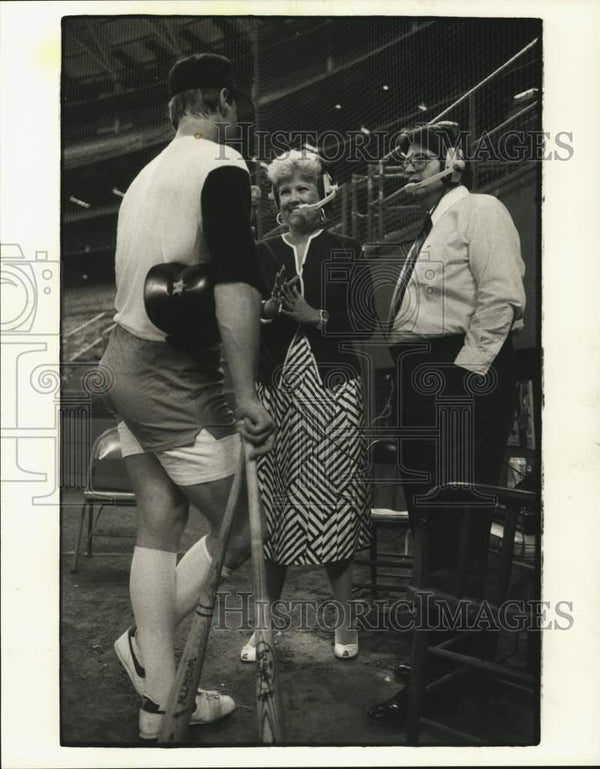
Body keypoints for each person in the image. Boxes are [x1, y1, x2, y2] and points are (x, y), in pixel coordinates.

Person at [98, 53, 274, 740]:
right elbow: (233, 284)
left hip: (121, 358)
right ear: (227, 102)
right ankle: (152, 660)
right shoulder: (220, 165)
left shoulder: (147, 173)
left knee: (160, 516)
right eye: (243, 111)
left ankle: (159, 696)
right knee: (236, 535)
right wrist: (246, 391)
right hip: (168, 373)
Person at [368, 121, 526, 722]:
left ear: (455, 159)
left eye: (421, 154)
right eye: (405, 154)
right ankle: (440, 654)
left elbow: (501, 295)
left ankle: (458, 675)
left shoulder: (479, 209)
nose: (408, 162)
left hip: (458, 373)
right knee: (430, 524)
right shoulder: (426, 228)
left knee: (458, 526)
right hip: (420, 376)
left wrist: (461, 381)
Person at [238, 149, 377, 664]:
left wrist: (313, 314)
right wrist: (271, 310)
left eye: (303, 188)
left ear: (323, 192)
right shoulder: (262, 252)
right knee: (272, 507)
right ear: (275, 200)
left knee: (335, 502)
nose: (294, 197)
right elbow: (245, 320)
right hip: (278, 390)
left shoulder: (346, 248)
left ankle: (345, 623)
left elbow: (363, 324)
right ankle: (264, 628)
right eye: (285, 191)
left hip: (334, 391)